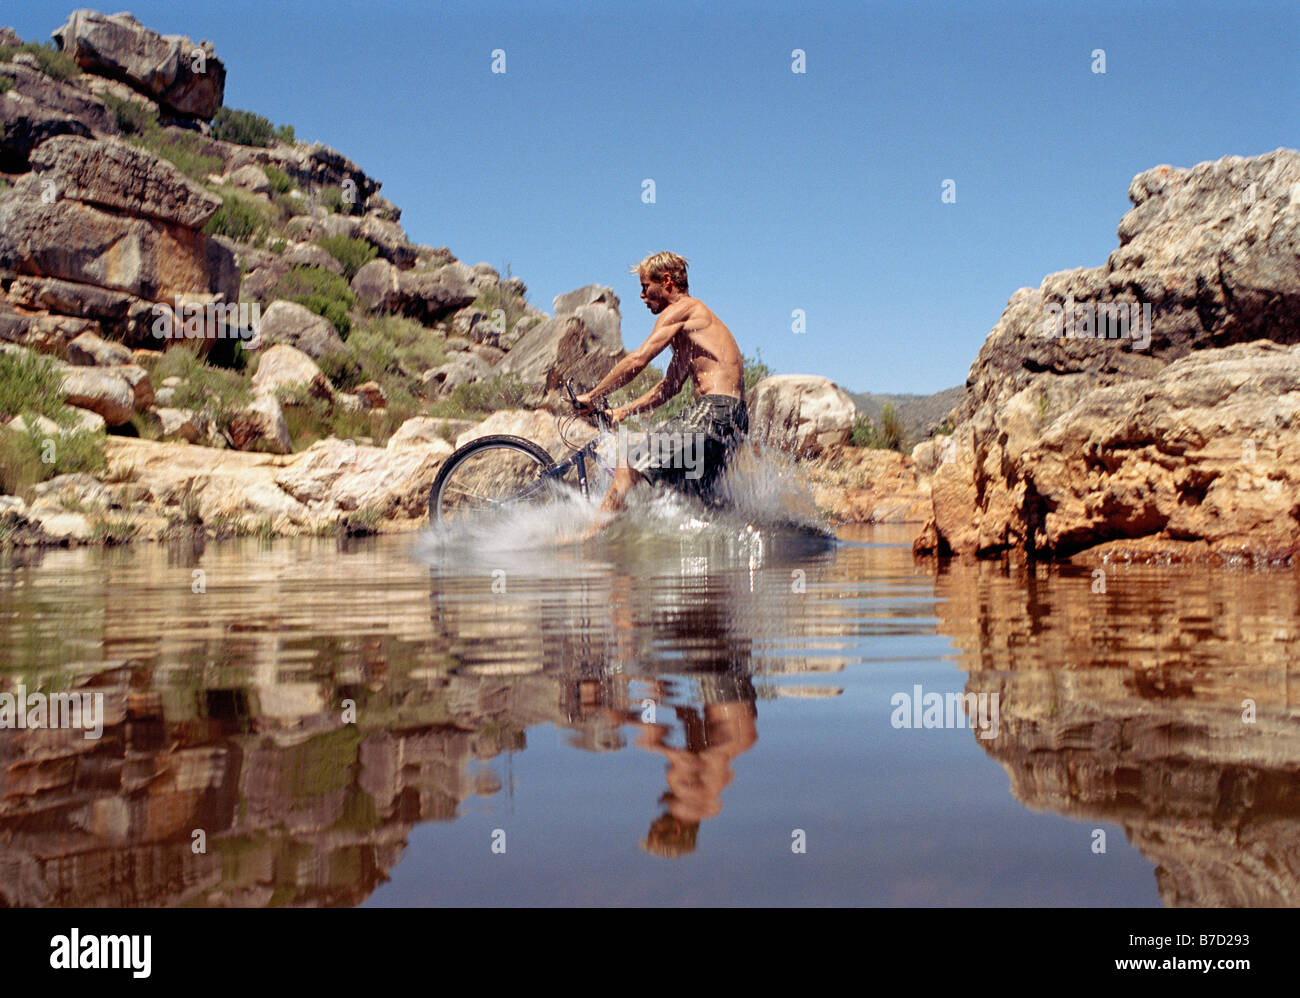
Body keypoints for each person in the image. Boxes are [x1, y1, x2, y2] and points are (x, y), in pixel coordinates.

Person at [571, 251, 748, 538]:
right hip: (732, 419)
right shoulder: (691, 330)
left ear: (666, 282)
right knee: (693, 498)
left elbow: (638, 360)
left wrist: (592, 396)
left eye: (645, 287)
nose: (642, 296)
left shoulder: (682, 310)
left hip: (714, 412)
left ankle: (586, 541)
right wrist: (624, 411)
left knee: (629, 467)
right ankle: (752, 535)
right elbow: (670, 387)